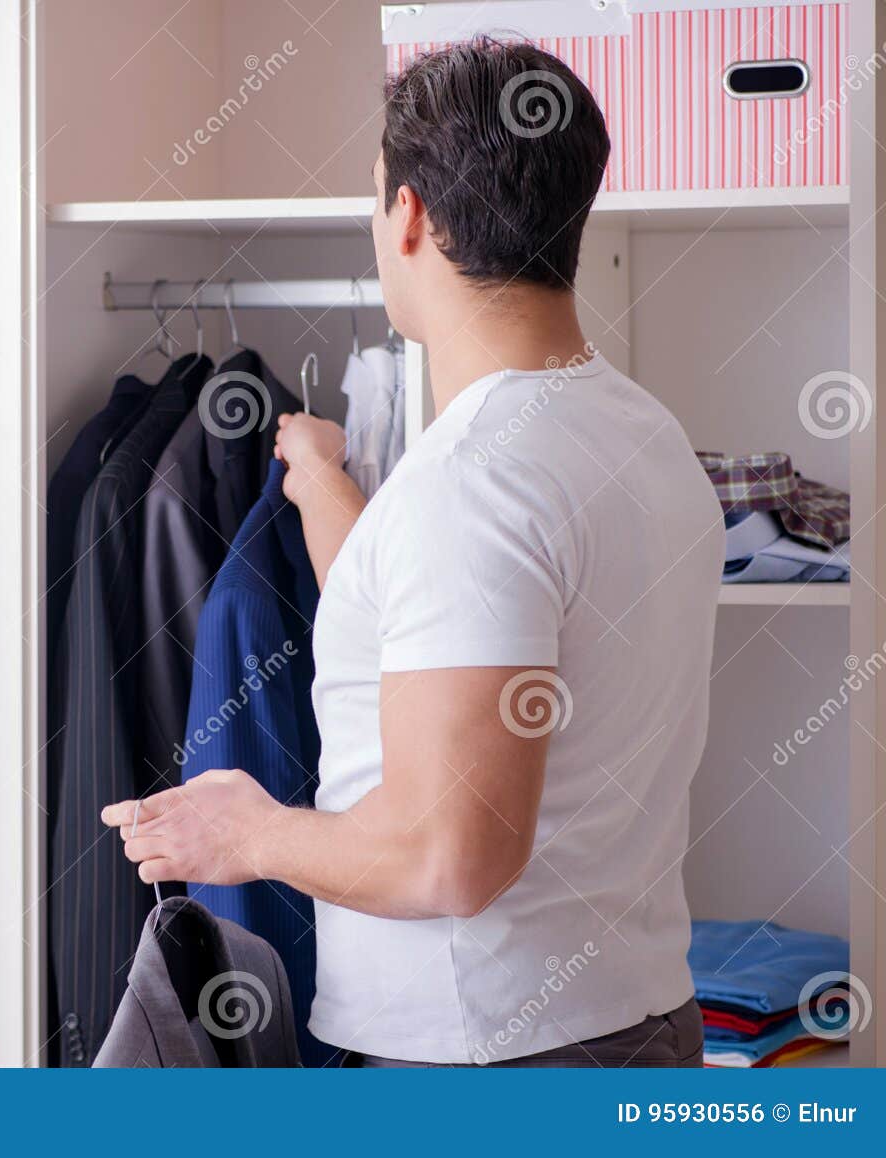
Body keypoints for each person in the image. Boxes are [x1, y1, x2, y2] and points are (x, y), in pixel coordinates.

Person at [101, 38, 724, 1067]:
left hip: (489, 1063)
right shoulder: (641, 437)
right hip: (632, 1019)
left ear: (410, 214)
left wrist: (244, 833)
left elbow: (448, 856)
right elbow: (448, 626)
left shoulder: (470, 481)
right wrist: (322, 485)